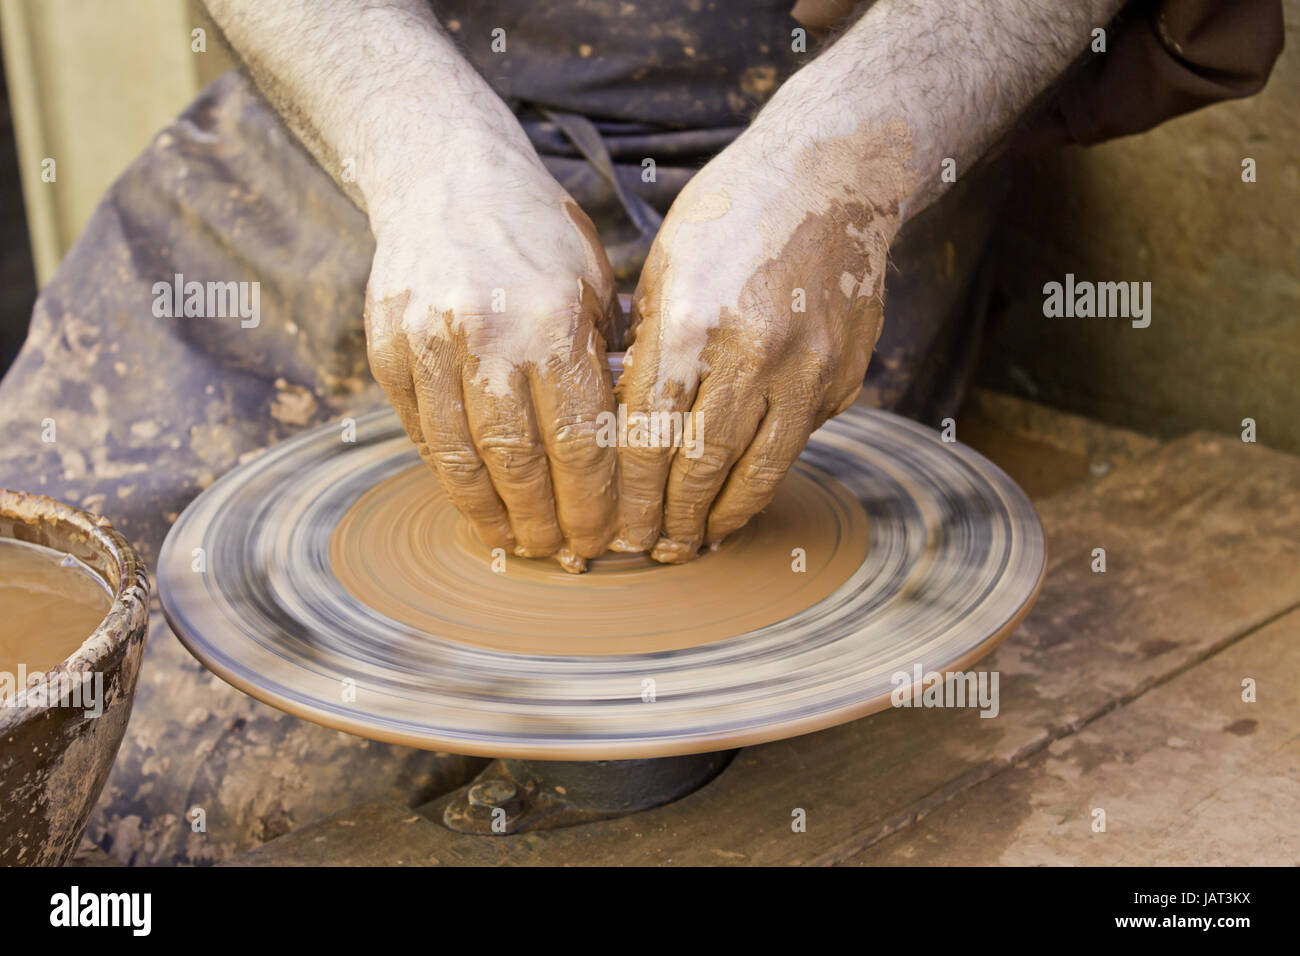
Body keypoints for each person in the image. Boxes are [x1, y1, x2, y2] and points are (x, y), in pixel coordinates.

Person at [0, 0, 1280, 863]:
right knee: (48, 688)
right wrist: (426, 155)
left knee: (409, 795)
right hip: (348, 115)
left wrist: (849, 161)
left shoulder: (838, 164)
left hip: (823, 135)